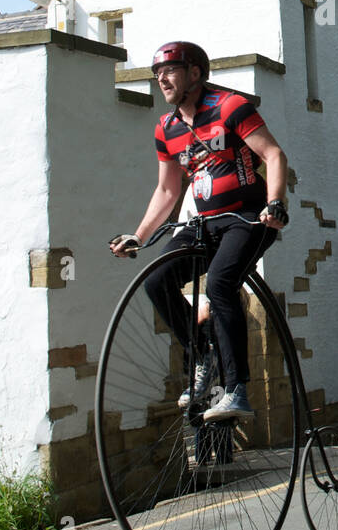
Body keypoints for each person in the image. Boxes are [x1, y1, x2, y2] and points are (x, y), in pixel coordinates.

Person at [110, 41, 289, 420]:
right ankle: (201, 352)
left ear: (195, 73)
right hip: (205, 224)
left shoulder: (229, 107)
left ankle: (237, 389)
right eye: (157, 73)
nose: (161, 78)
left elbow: (273, 154)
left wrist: (275, 202)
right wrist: (139, 236)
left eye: (170, 70)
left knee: (220, 284)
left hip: (248, 218)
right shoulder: (167, 128)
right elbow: (168, 190)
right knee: (157, 280)